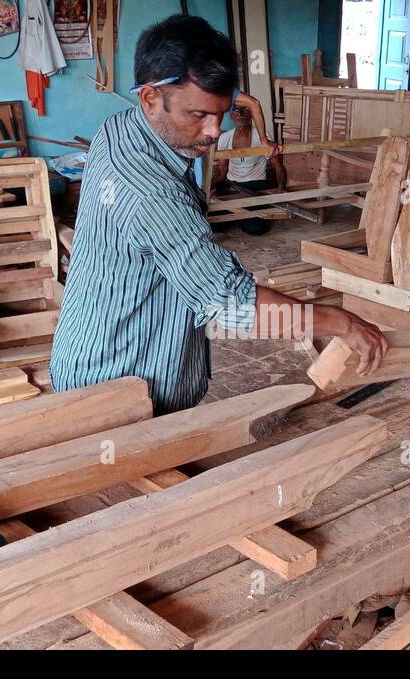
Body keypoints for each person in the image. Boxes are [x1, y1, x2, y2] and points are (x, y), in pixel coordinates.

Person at [49, 14, 388, 416]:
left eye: (221, 112)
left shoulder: (119, 128)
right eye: (198, 115)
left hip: (90, 354)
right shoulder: (152, 192)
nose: (214, 131)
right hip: (120, 389)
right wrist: (343, 323)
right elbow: (232, 304)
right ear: (150, 98)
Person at [212, 98, 287, 235]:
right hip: (232, 186)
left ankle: (242, 216)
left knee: (255, 230)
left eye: (245, 109)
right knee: (214, 225)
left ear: (252, 114)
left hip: (255, 186)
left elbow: (278, 166)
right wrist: (208, 188)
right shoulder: (224, 138)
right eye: (235, 110)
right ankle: (240, 214)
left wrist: (282, 190)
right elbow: (222, 170)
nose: (239, 113)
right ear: (231, 114)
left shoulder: (261, 137)